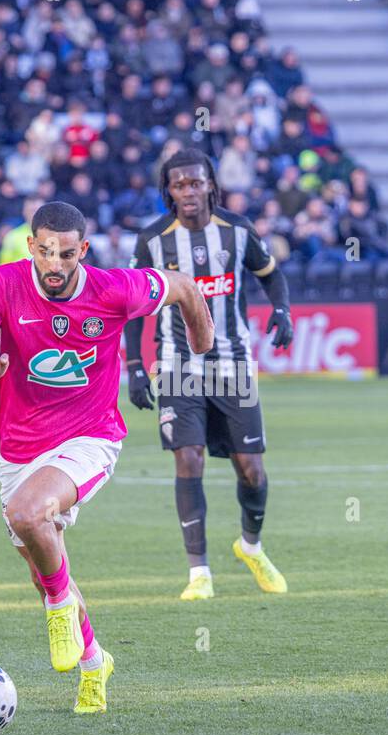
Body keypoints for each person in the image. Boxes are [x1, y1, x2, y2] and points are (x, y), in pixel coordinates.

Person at [0, 201, 213, 713]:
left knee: (29, 516)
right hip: (20, 451)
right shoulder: (2, 284)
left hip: (90, 438)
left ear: (82, 251)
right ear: (31, 247)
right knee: (41, 556)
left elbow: (182, 286)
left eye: (66, 254)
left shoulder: (114, 289)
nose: (54, 264)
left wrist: (202, 340)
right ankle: (94, 662)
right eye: (45, 251)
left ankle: (57, 608)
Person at [125, 148, 294, 601]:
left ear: (211, 185)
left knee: (251, 471)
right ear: (169, 191)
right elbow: (134, 306)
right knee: (189, 458)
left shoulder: (238, 231)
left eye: (196, 183)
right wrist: (135, 366)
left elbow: (271, 275)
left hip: (234, 364)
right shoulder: (153, 240)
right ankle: (199, 573)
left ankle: (250, 546)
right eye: (179, 185)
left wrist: (281, 310)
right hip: (178, 365)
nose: (189, 192)